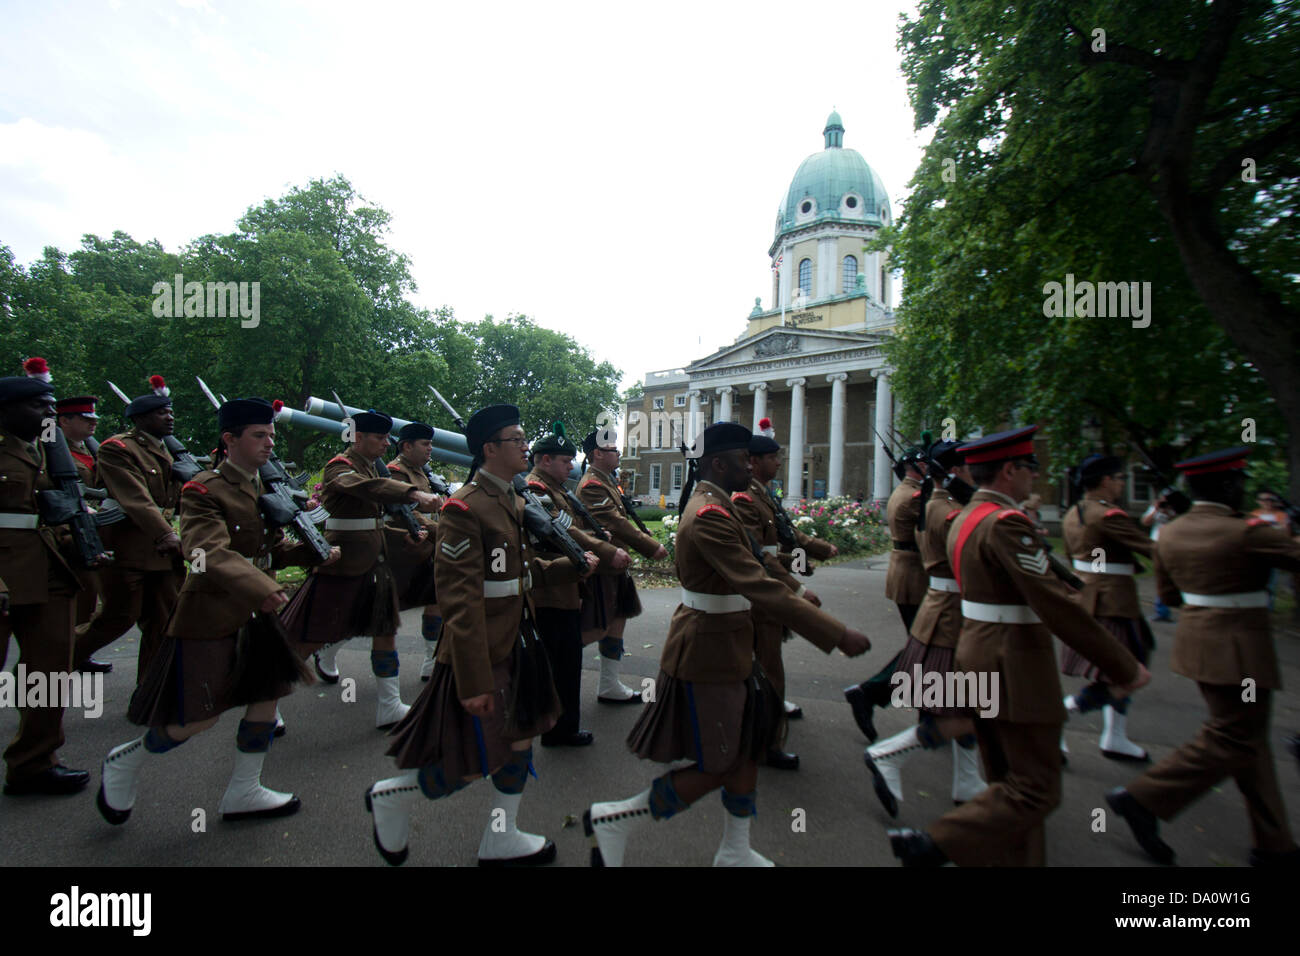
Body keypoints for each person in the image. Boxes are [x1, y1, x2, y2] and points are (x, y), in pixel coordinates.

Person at [582, 423, 871, 867]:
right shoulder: (710, 514)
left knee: (747, 746)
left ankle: (735, 850)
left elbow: (761, 559)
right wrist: (834, 633)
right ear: (719, 463)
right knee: (718, 761)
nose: (751, 465)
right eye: (744, 459)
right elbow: (754, 581)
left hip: (731, 642)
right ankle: (616, 817)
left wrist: (796, 586)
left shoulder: (723, 506)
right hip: (708, 650)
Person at [887, 426, 1150, 866]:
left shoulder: (966, 516)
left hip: (976, 653)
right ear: (1010, 471)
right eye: (1030, 468)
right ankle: (936, 843)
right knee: (1036, 787)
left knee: (1005, 781)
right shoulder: (1004, 523)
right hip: (1013, 663)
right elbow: (1055, 607)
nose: (1034, 477)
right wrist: (1123, 667)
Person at [366, 405, 598, 866]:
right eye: (517, 439)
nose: (525, 446)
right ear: (491, 449)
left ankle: (502, 835)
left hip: (518, 638)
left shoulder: (510, 498)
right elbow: (459, 598)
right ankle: (392, 796)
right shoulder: (464, 507)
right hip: (484, 649)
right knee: (476, 753)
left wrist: (567, 568)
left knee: (520, 736)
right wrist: (473, 679)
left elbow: (520, 570)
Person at [97, 399, 340, 824]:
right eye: (258, 436)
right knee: (198, 718)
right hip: (212, 612)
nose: (269, 444)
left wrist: (313, 552)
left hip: (256, 613)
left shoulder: (261, 488)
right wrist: (261, 587)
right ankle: (126, 761)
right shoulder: (203, 489)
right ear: (229, 440)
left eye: (271, 436)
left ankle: (244, 790)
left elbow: (268, 550)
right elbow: (204, 551)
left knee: (267, 696)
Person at [1107, 446, 1300, 867]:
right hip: (1242, 654)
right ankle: (1142, 798)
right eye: (1240, 483)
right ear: (1229, 485)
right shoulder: (1248, 530)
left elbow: (1169, 596)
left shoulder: (1172, 533)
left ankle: (1275, 843)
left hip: (1198, 646)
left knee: (1248, 740)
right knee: (1233, 736)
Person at [280, 409, 438, 728]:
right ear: (357, 437)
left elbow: (376, 521)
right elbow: (369, 489)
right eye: (379, 438)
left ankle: (389, 705)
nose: (386, 444)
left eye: (386, 437)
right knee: (307, 639)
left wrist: (408, 533)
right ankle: (265, 699)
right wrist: (412, 493)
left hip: (374, 563)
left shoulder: (368, 467)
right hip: (342, 567)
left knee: (385, 632)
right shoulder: (342, 467)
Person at [864, 438, 987, 815]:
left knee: (971, 701)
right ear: (955, 470)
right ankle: (888, 752)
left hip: (949, 607)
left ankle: (967, 777)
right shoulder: (941, 507)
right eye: (967, 466)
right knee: (968, 703)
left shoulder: (935, 500)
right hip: (950, 611)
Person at [0, 362, 97, 796]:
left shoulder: (40, 449)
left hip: (46, 568)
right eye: (39, 403)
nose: (48, 412)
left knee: (49, 668)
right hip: (5, 572)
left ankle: (34, 760)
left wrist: (76, 535)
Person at [729, 425, 836, 770]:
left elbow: (783, 534)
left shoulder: (763, 493)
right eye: (774, 457)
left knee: (764, 665)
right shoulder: (745, 498)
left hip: (770, 586)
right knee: (769, 668)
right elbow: (760, 554)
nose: (780, 462)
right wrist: (798, 589)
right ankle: (766, 743)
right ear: (755, 461)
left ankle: (758, 731)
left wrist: (816, 549)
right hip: (763, 595)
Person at [73, 375, 185, 684]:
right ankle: (53, 661)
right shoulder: (118, 449)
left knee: (163, 622)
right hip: (127, 548)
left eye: (171, 411)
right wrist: (166, 533)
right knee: (117, 618)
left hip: (160, 554)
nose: (170, 417)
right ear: (139, 419)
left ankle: (150, 693)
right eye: (162, 412)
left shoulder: (170, 452)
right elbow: (136, 499)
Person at [525, 423, 629, 747]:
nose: (571, 465)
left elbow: (574, 526)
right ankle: (559, 729)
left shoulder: (556, 489)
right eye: (564, 460)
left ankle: (562, 726)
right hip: (550, 588)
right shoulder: (537, 490)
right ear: (544, 460)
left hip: (565, 582)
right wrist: (603, 549)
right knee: (561, 661)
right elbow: (565, 532)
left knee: (567, 660)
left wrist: (597, 539)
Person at [1059, 453, 1156, 762]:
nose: (1121, 484)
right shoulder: (1109, 515)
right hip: (1113, 600)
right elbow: (1152, 550)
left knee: (1117, 671)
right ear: (1105, 481)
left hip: (1089, 597)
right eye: (1118, 478)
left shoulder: (1073, 513)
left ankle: (1115, 735)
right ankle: (1063, 714)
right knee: (1130, 671)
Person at [577, 428, 666, 703]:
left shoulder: (607, 481)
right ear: (597, 454)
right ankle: (552, 676)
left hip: (616, 567)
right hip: (602, 568)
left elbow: (619, 519)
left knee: (616, 623)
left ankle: (609, 684)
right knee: (594, 628)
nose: (619, 452)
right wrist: (650, 547)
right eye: (613, 449)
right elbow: (615, 522)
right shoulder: (593, 484)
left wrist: (641, 536)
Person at [845, 443, 926, 742]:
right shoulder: (914, 497)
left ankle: (933, 712)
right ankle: (872, 692)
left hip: (913, 577)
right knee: (929, 649)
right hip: (916, 579)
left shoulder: (913, 492)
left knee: (929, 649)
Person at [381, 422, 445, 681]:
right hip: (401, 549)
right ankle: (330, 650)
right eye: (425, 444)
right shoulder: (396, 472)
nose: (430, 449)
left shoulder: (420, 472)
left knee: (435, 602)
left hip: (423, 548)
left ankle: (430, 661)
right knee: (384, 612)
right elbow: (409, 512)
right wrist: (441, 532)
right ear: (407, 446)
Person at [56, 394, 110, 671]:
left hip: (95, 528)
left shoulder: (91, 450)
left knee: (92, 596)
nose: (92, 424)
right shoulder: (52, 451)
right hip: (69, 529)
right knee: (80, 592)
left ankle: (80, 653)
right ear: (64, 421)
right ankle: (66, 654)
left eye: (94, 419)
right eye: (85, 419)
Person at [1141, 496, 1177, 622]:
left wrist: (1168, 511)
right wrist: (1156, 509)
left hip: (1173, 545)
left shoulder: (1176, 508)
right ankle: (1162, 611)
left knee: (1171, 577)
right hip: (1157, 545)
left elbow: (1178, 521)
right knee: (1161, 578)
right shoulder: (1155, 508)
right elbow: (1145, 522)